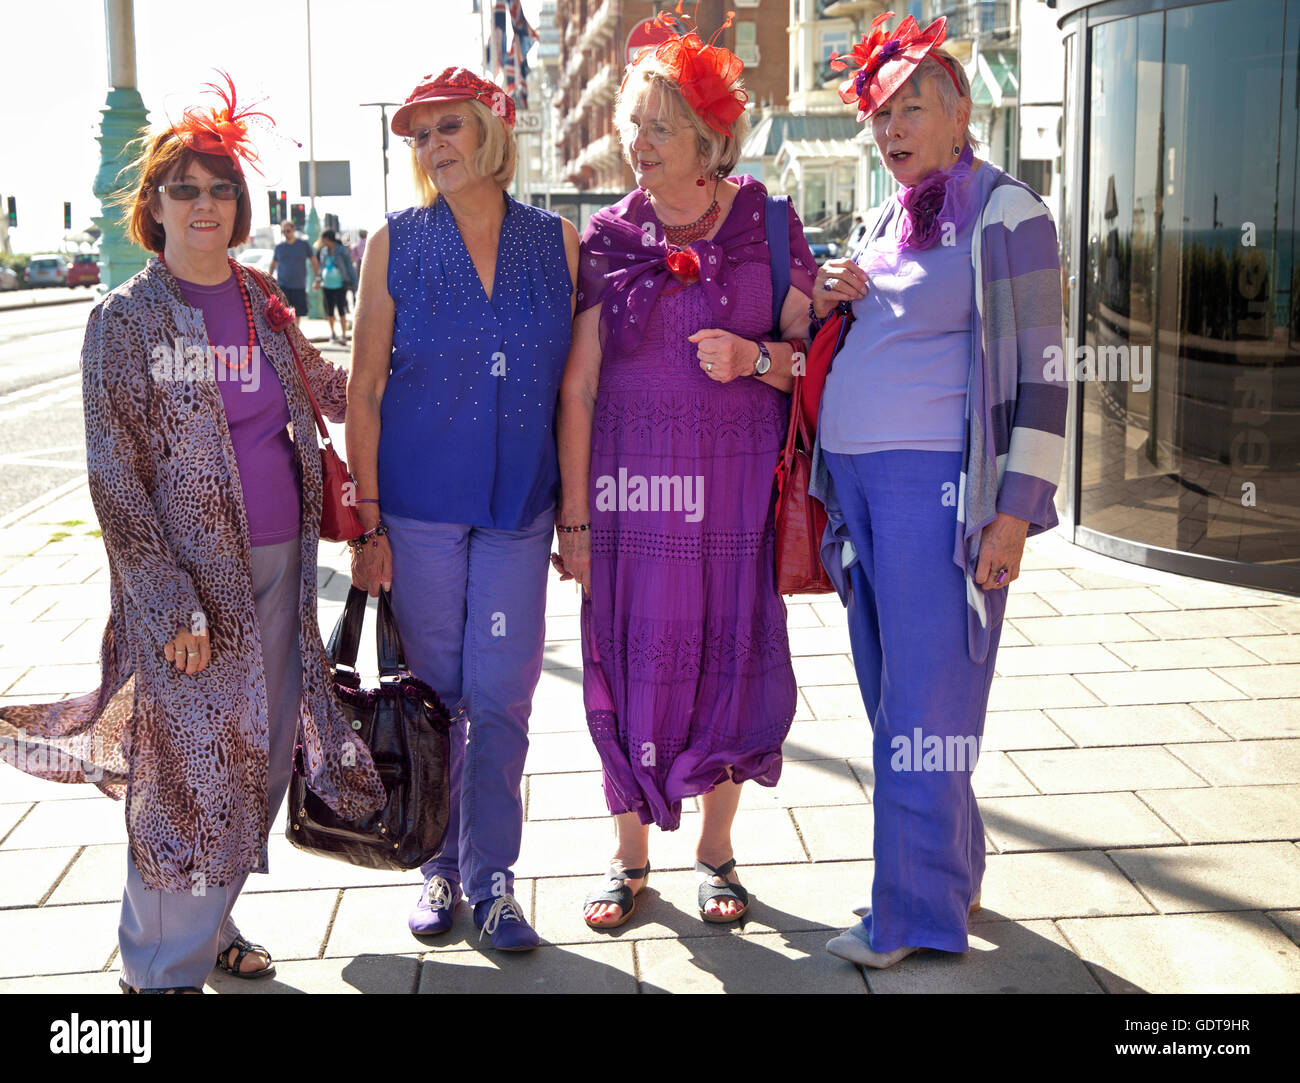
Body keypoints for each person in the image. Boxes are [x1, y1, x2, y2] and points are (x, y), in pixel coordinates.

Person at [0, 74, 385, 993]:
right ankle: (158, 975)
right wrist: (169, 600)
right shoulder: (124, 319)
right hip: (187, 586)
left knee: (252, 759)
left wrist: (408, 380)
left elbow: (330, 393)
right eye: (186, 188)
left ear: (239, 205)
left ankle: (208, 929)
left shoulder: (259, 302)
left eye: (220, 188)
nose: (205, 203)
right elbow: (114, 478)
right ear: (155, 206)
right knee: (184, 776)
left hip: (285, 567)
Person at [810, 14, 1067, 968]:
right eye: (880, 114)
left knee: (925, 707)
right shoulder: (889, 216)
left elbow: (1045, 371)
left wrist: (1015, 513)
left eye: (912, 106)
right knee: (903, 701)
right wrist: (841, 291)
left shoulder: (1010, 213)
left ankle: (914, 915)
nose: (893, 127)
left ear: (962, 110)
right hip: (864, 495)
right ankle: (947, 872)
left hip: (940, 498)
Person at [554, 15, 815, 930]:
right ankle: (628, 860)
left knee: (725, 657)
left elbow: (808, 356)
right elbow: (578, 388)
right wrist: (576, 521)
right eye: (631, 125)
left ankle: (716, 852)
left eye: (656, 126)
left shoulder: (767, 227)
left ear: (706, 139)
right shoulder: (606, 238)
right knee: (624, 658)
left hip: (734, 499)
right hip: (630, 505)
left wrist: (755, 358)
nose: (637, 142)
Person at [346, 67, 579, 951]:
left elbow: (580, 388)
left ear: (491, 130)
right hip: (419, 508)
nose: (433, 147)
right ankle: (440, 870)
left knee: (504, 697)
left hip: (521, 508)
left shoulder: (558, 242)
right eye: (419, 135)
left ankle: (496, 879)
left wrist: (580, 520)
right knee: (436, 696)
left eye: (449, 128)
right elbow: (364, 390)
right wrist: (368, 523)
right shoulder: (393, 244)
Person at [269, 219, 318, 323]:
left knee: (298, 313)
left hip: (299, 285)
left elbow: (314, 261)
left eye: (288, 231)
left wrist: (317, 278)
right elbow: (273, 265)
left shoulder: (303, 245)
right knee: (283, 313)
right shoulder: (279, 247)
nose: (286, 233)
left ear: (293, 230)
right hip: (283, 285)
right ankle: (287, 337)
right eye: (284, 231)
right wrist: (269, 281)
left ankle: (295, 336)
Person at [315, 228, 356, 343]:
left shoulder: (341, 250)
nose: (321, 241)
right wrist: (318, 280)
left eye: (323, 239)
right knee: (330, 311)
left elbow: (349, 266)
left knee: (341, 309)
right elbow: (321, 267)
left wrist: (355, 282)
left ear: (328, 239)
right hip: (327, 285)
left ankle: (343, 335)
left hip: (340, 285)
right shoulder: (323, 252)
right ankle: (333, 333)